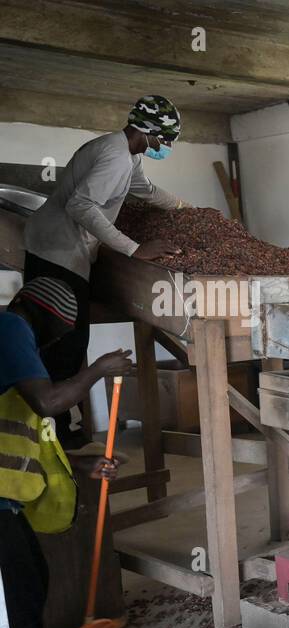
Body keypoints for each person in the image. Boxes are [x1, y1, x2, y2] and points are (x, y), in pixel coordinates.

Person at [24, 94, 186, 448]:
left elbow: (144, 189)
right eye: (166, 139)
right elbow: (81, 205)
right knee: (64, 343)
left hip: (57, 248)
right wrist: (135, 248)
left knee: (65, 342)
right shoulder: (115, 156)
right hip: (57, 253)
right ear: (147, 131)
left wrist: (182, 208)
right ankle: (57, 435)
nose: (166, 146)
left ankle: (58, 429)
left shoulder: (125, 152)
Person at [0, 278, 131, 628]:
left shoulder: (14, 369)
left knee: (31, 583)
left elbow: (32, 437)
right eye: (56, 334)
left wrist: (82, 464)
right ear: (43, 318)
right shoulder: (10, 328)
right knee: (20, 603)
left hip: (8, 501)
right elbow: (49, 402)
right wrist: (99, 369)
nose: (54, 345)